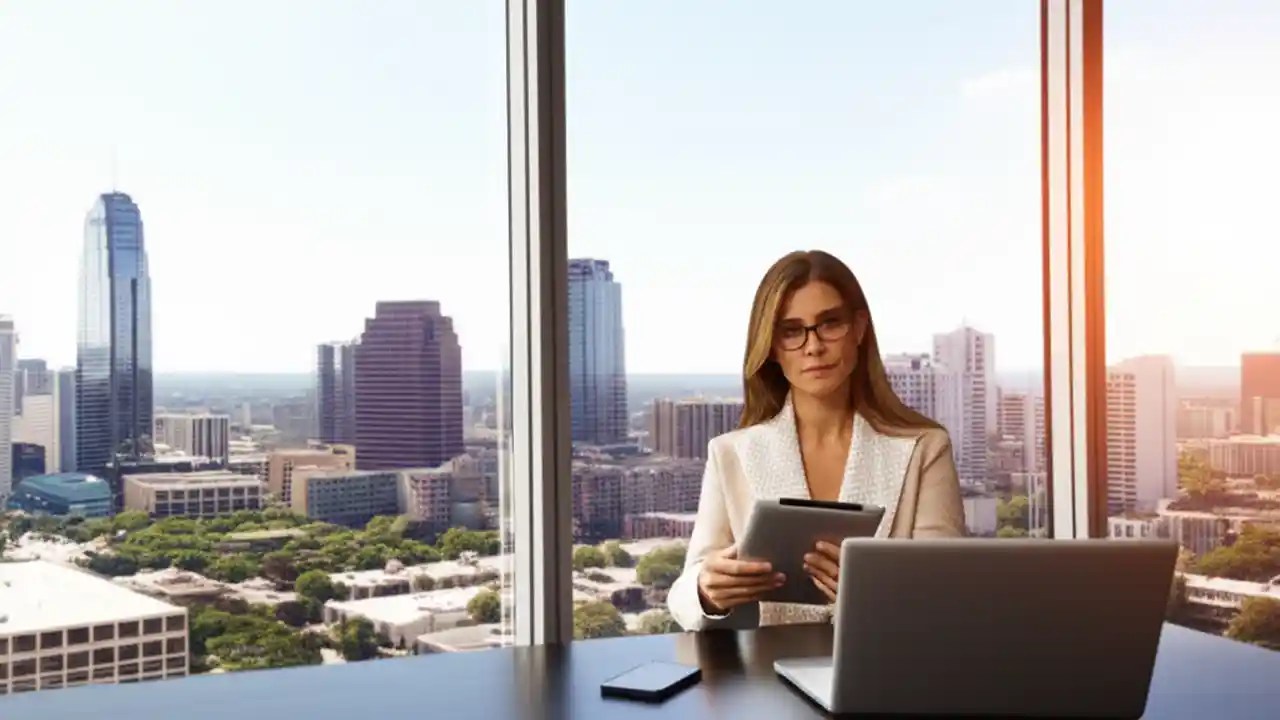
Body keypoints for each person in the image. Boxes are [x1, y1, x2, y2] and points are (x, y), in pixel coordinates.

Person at [668, 250, 965, 631]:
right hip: (764, 682)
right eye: (792, 331)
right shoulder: (730, 453)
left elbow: (948, 593)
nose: (813, 346)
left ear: (858, 328)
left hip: (887, 677)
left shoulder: (924, 448)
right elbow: (686, 589)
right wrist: (708, 591)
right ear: (772, 347)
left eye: (830, 323)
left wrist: (873, 591)